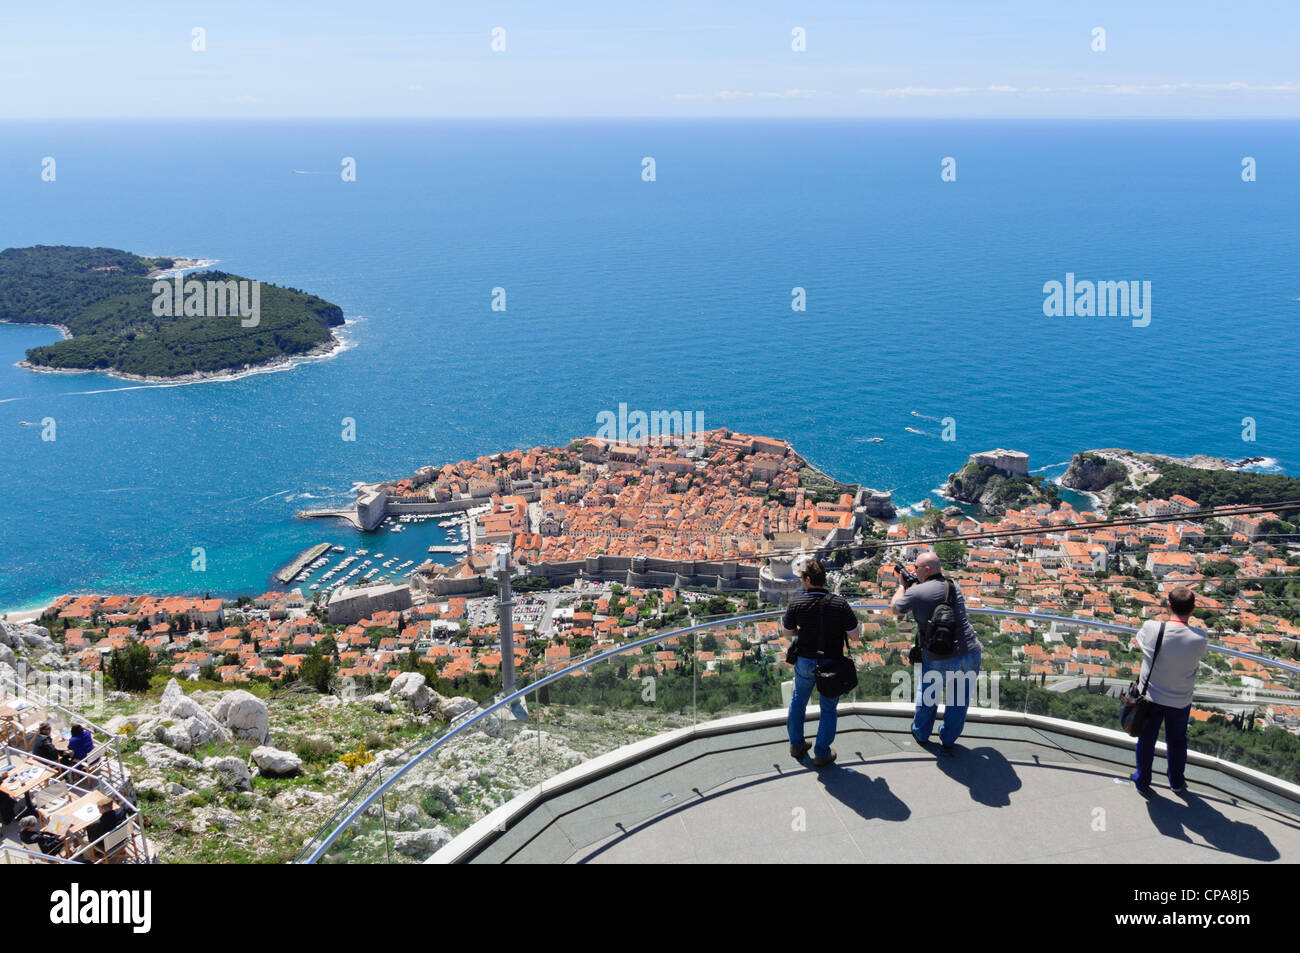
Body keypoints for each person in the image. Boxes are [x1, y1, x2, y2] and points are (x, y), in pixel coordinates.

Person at [891, 550, 983, 753]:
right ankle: (949, 738)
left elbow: (896, 608)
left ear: (926, 569)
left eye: (916, 567)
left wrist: (902, 586)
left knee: (928, 695)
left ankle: (922, 733)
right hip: (969, 651)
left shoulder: (916, 592)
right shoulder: (953, 586)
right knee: (959, 700)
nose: (914, 570)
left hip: (938, 655)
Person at [782, 555, 860, 768]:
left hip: (806, 661)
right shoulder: (839, 603)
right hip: (832, 663)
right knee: (828, 708)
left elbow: (787, 631)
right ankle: (822, 752)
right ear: (823, 579)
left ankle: (796, 745)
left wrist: (802, 629)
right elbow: (854, 635)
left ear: (807, 580)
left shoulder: (797, 602)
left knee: (799, 701)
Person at [1131, 586, 1208, 795]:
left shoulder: (1151, 628)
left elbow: (1139, 643)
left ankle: (1142, 781)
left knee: (1147, 740)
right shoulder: (1200, 638)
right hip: (1180, 701)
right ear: (1192, 609)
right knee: (1177, 742)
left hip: (1150, 698)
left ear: (1168, 606)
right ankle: (1176, 782)